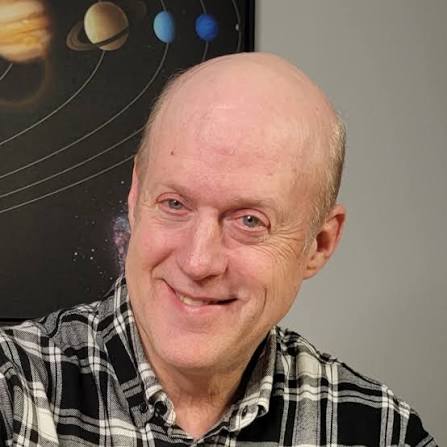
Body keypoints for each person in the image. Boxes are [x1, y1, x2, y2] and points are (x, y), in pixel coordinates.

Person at [0, 53, 437, 446]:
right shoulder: (14, 387)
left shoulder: (382, 430)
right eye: (174, 204)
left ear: (319, 245)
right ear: (135, 197)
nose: (198, 262)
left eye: (249, 221)